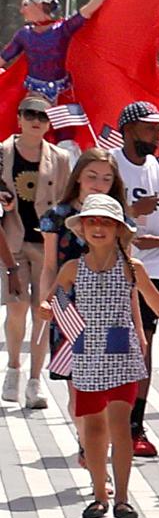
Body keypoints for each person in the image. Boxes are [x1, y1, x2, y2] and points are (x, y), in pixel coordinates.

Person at [52, 192, 157, 518]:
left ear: (118, 229)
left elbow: (156, 302)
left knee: (120, 425)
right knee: (93, 429)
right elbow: (54, 300)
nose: (98, 228)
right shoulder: (71, 268)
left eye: (106, 222)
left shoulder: (131, 267)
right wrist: (46, 309)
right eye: (92, 221)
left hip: (121, 354)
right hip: (86, 354)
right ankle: (100, 494)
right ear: (81, 228)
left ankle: (123, 497)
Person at [108, 102, 159, 457]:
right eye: (149, 128)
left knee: (143, 345)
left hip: (149, 270)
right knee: (111, 346)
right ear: (128, 129)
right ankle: (104, 420)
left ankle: (135, 424)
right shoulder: (109, 165)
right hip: (110, 267)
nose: (157, 135)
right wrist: (130, 214)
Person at [6, 94, 62, 406]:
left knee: (43, 312)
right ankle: (13, 367)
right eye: (29, 114)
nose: (35, 120)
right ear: (19, 118)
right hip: (10, 242)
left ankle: (35, 381)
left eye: (42, 116)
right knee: (16, 307)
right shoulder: (2, 153)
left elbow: (66, 203)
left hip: (46, 242)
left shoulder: (59, 158)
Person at [5, 0, 89, 136]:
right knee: (31, 135)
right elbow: (4, 57)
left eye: (25, 5)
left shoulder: (63, 29)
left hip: (63, 96)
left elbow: (87, 11)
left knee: (67, 140)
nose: (22, 10)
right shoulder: (24, 34)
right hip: (34, 95)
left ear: (38, 5)